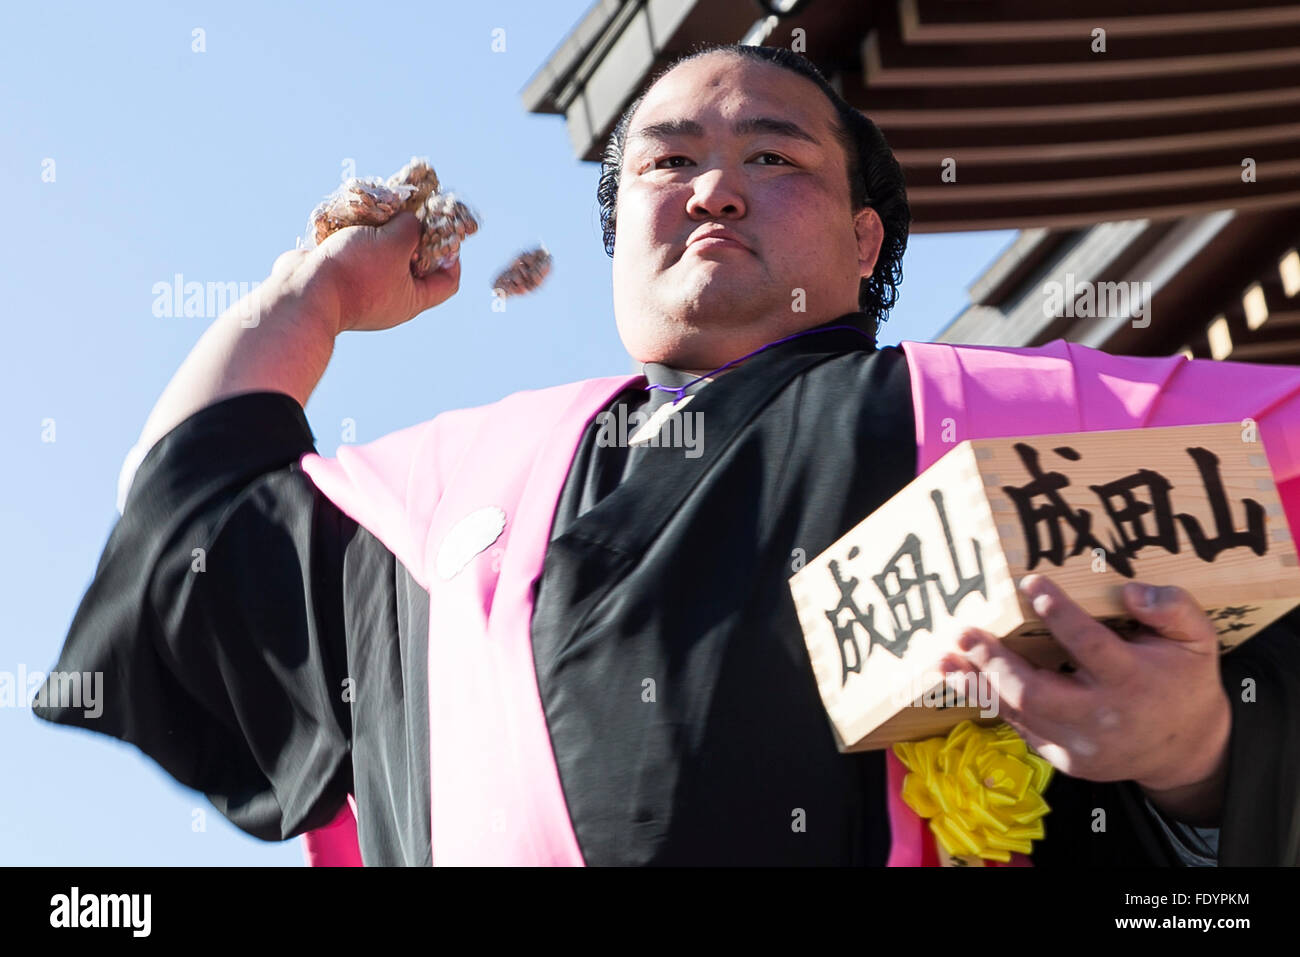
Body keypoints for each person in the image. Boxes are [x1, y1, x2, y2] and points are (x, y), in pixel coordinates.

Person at [34, 43, 1300, 866]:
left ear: (864, 243)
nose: (713, 189)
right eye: (669, 160)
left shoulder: (1006, 415)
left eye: (772, 156)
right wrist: (309, 295)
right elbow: (188, 514)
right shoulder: (449, 500)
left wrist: (1197, 755)